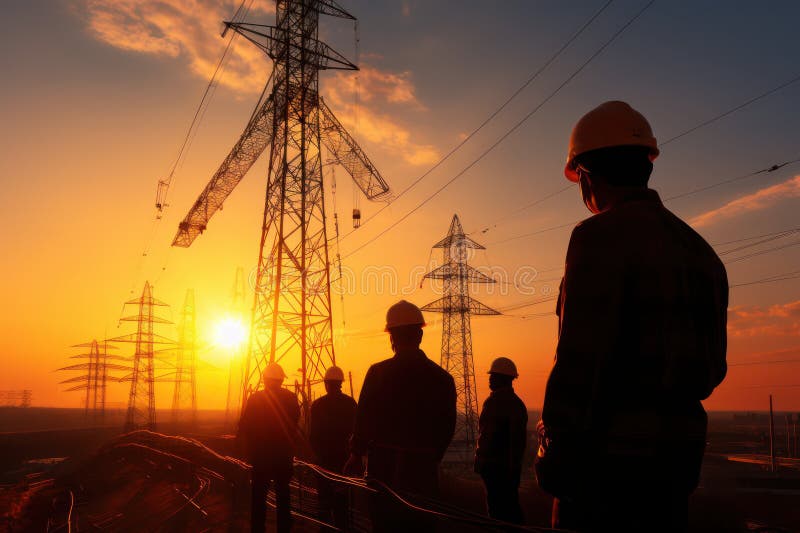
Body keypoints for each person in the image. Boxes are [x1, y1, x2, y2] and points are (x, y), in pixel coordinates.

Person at [536, 101, 728, 532]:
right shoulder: (702, 252)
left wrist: (553, 457)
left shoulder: (595, 238)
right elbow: (714, 369)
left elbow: (578, 364)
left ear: (586, 174)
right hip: (675, 469)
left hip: (604, 473)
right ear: (646, 167)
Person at [345, 300, 456, 533]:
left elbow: (363, 419)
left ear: (391, 337)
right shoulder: (442, 379)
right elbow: (447, 427)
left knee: (385, 525)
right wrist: (431, 457)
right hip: (423, 473)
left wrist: (355, 455)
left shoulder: (378, 373)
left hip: (383, 472)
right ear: (420, 335)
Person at [238, 362, 300, 533]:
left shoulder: (255, 399)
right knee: (283, 497)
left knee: (258, 499)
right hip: (282, 458)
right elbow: (294, 424)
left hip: (261, 458)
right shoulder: (291, 398)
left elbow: (244, 426)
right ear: (281, 380)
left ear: (265, 379)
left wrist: (247, 449)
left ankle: (257, 529)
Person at [475, 357, 527, 524]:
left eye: (493, 376)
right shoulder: (518, 405)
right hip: (511, 469)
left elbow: (486, 436)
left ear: (502, 379)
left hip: (494, 468)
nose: (490, 379)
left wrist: (480, 460)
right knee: (511, 508)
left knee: (497, 512)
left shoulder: (494, 403)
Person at [309, 365, 357, 530]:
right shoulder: (350, 404)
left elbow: (313, 436)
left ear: (326, 383)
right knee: (342, 504)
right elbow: (357, 433)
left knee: (324, 504)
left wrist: (317, 454)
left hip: (324, 461)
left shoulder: (317, 405)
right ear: (341, 383)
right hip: (345, 462)